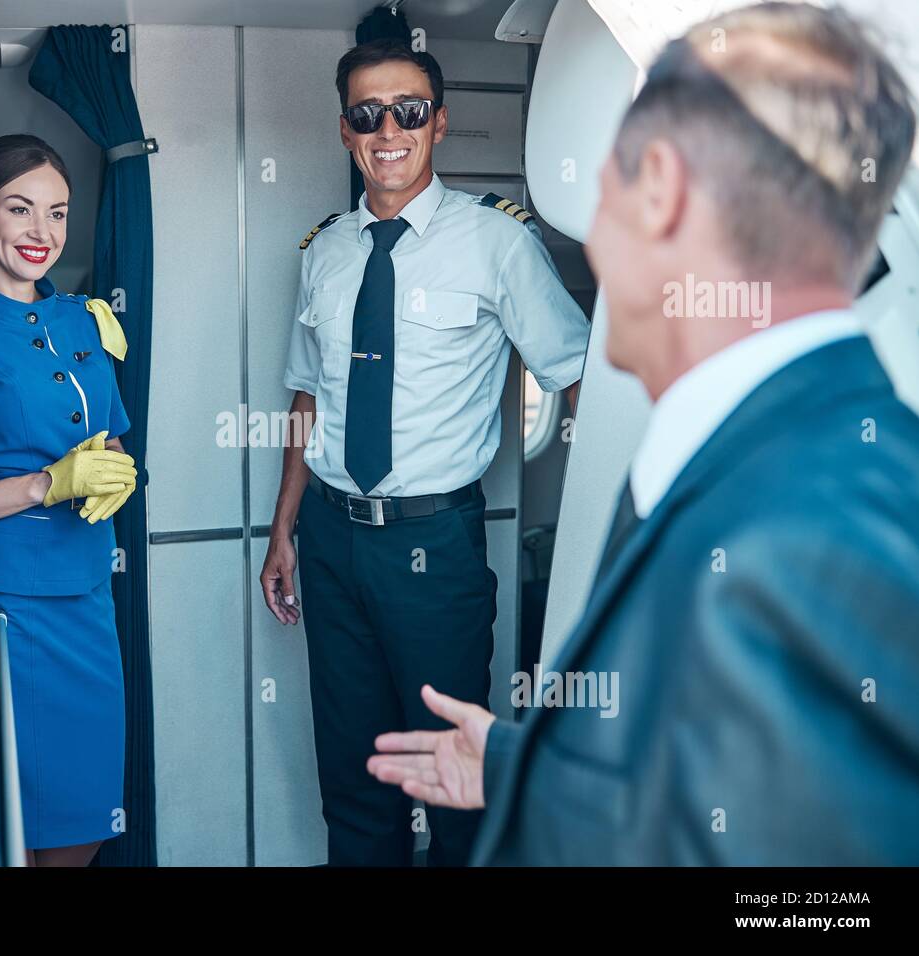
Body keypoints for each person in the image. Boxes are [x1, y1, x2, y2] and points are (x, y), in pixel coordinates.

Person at [367, 1, 919, 864]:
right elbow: (716, 784)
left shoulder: (834, 516)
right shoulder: (743, 451)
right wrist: (529, 770)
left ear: (660, 188)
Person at [260, 38, 590, 866]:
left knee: (454, 777)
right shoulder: (326, 249)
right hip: (331, 541)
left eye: (408, 111)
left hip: (432, 546)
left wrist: (615, 531)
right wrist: (283, 531)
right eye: (367, 116)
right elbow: (309, 398)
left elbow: (575, 375)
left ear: (437, 123)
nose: (388, 131)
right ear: (346, 131)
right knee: (355, 774)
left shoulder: (497, 242)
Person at [0, 134, 136, 867]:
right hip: (4, 610)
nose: (42, 233)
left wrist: (114, 468)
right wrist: (45, 483)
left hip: (89, 599)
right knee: (14, 830)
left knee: (86, 824)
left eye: (57, 213)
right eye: (20, 209)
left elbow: (105, 441)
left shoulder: (84, 319)